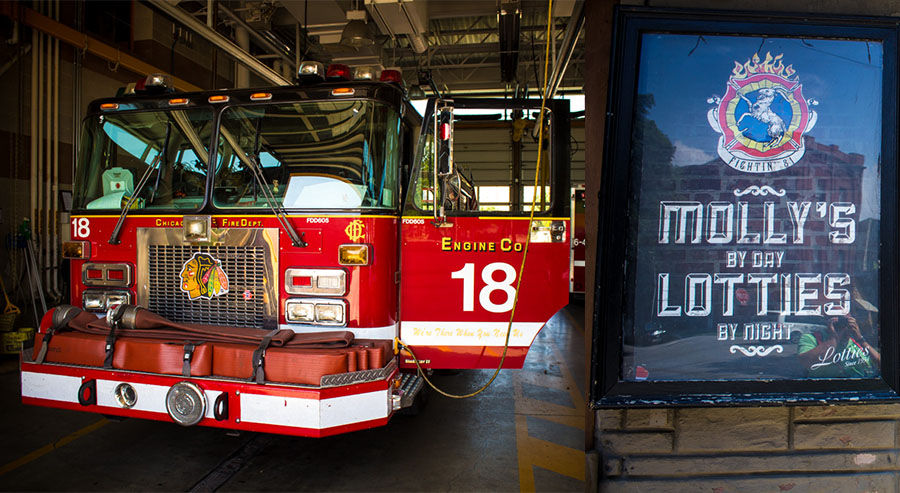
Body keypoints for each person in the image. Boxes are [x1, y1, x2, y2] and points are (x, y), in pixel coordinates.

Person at [797, 315, 880, 378]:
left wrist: (860, 338)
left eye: (847, 319)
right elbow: (805, 362)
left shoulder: (857, 341)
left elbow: (880, 363)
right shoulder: (812, 338)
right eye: (839, 320)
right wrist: (833, 338)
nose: (843, 325)